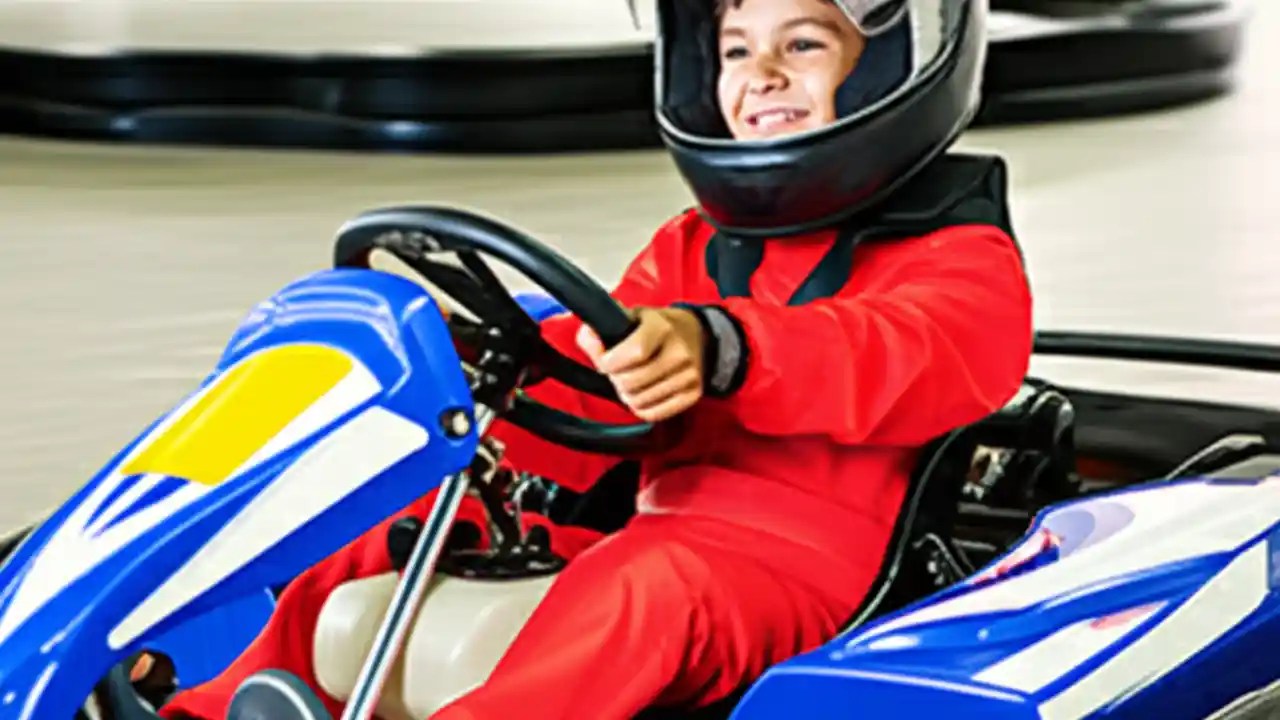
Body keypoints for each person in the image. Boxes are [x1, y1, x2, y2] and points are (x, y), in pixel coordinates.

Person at [159, 0, 1033, 717]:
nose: (761, 75)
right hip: (653, 521)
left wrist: (723, 348)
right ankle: (202, 702)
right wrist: (486, 382)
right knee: (393, 518)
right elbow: (600, 397)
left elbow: (911, 354)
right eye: (735, 50)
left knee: (644, 589)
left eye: (801, 43)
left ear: (892, 69)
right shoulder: (692, 245)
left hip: (813, 575)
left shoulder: (957, 252)